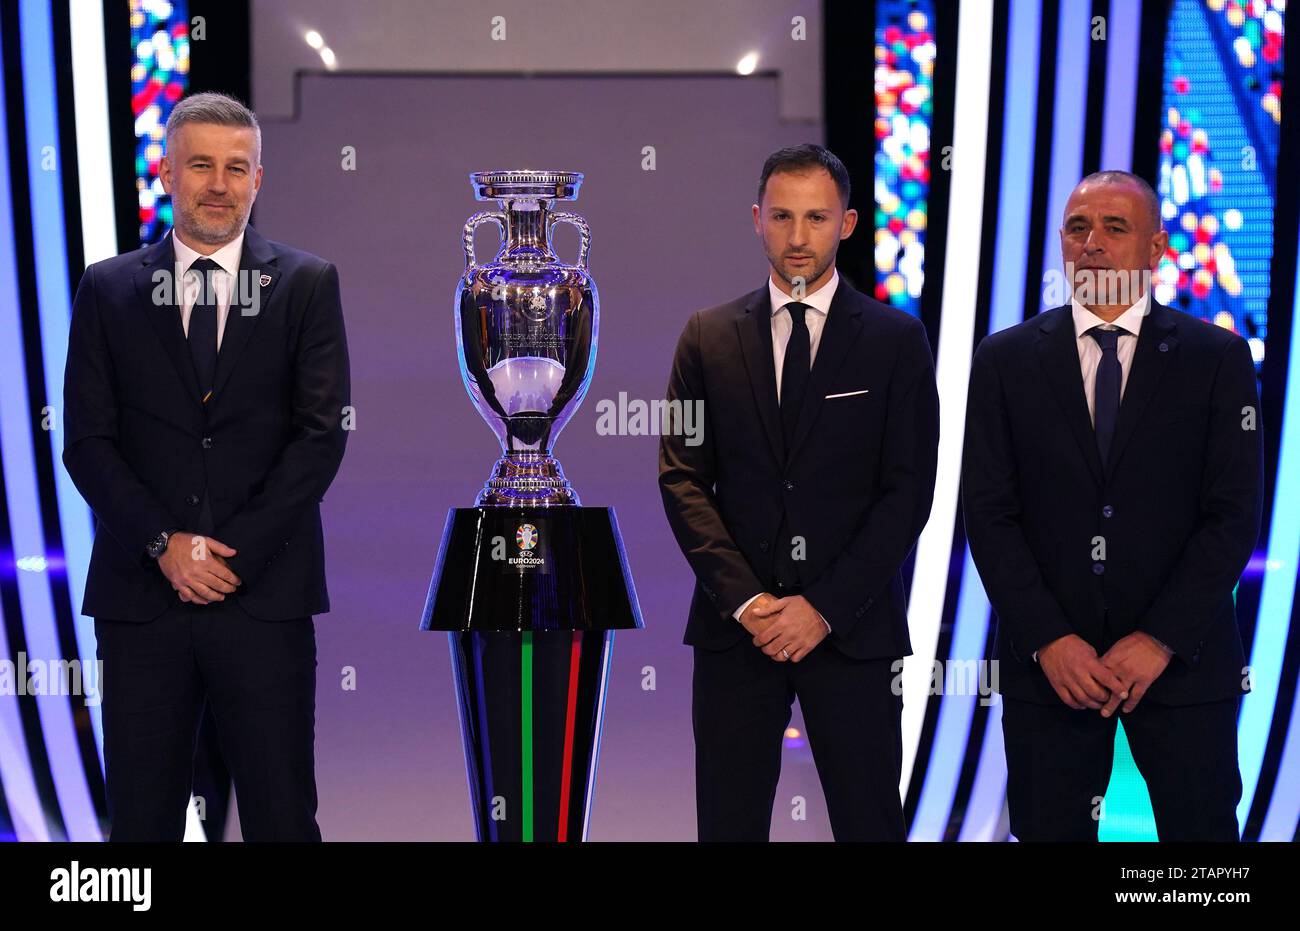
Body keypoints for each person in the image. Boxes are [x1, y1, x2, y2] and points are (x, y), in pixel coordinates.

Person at [62, 92, 351, 841]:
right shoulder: (108, 288)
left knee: (282, 819)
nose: (218, 184)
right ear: (166, 173)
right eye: (201, 165)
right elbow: (88, 441)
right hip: (143, 602)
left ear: (259, 179)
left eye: (236, 167)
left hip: (264, 599)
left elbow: (319, 438)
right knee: (140, 826)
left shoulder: (306, 284)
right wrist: (166, 546)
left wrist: (227, 556)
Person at [962, 170, 1263, 841]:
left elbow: (1233, 515)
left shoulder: (1216, 358)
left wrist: (1158, 639)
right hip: (1051, 674)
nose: (1092, 242)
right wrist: (1049, 639)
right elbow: (990, 514)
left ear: (1155, 248)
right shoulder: (1005, 360)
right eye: (1078, 227)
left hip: (1183, 666)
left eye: (1114, 228)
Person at [659, 144, 939, 840]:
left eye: (816, 217)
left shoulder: (895, 341)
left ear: (846, 223)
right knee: (729, 825)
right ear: (757, 219)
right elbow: (681, 477)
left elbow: (908, 493)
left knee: (870, 823)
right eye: (782, 216)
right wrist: (751, 603)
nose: (797, 236)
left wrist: (823, 608)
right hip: (736, 633)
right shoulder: (707, 336)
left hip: (853, 631)